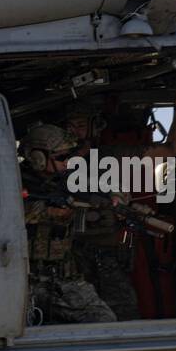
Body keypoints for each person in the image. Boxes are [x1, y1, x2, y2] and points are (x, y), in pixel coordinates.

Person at [68, 88, 176, 321]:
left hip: (110, 255)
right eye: (69, 127)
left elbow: (172, 150)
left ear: (96, 126)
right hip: (70, 259)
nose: (74, 132)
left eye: (80, 125)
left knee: (123, 317)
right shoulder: (52, 163)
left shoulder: (112, 155)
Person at [20, 123, 116, 325]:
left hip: (63, 281)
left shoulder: (70, 183)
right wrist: (48, 211)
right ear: (37, 157)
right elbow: (11, 212)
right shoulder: (12, 181)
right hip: (21, 282)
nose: (67, 163)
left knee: (103, 321)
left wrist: (109, 204)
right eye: (61, 158)